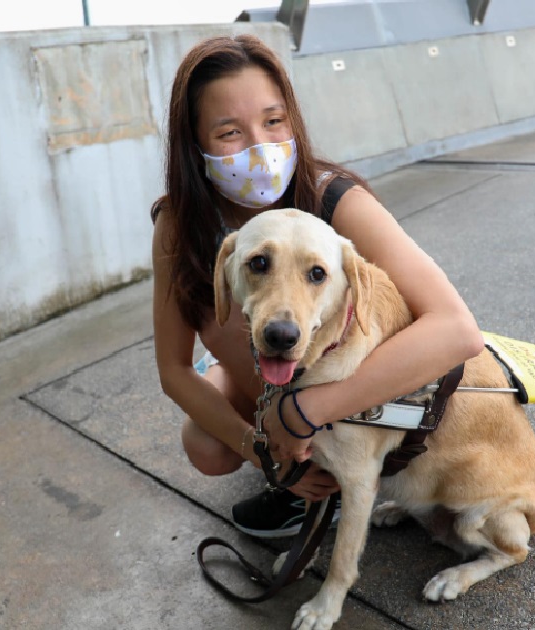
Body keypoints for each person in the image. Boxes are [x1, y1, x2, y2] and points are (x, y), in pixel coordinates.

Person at [151, 35, 484, 538]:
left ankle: (337, 467)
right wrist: (259, 449)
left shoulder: (336, 201)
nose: (259, 147)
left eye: (273, 121)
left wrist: (308, 413)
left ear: (292, 121)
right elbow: (174, 369)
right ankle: (293, 476)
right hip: (259, 367)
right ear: (194, 142)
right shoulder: (180, 223)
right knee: (207, 444)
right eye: (228, 132)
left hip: (350, 386)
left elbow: (457, 330)